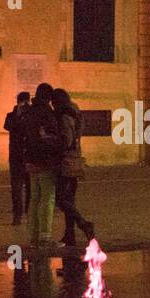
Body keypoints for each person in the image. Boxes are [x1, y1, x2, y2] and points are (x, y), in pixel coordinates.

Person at [52, 88, 96, 246]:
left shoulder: (64, 115)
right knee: (70, 198)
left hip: (66, 161)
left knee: (60, 198)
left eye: (53, 102)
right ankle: (69, 235)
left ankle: (83, 224)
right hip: (75, 158)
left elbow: (67, 140)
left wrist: (54, 143)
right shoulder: (75, 111)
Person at [21, 83, 62, 247]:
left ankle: (34, 237)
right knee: (48, 197)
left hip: (31, 160)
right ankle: (45, 236)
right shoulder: (47, 113)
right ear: (48, 98)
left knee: (34, 198)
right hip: (45, 160)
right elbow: (53, 135)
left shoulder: (29, 111)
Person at [3, 91, 31, 225]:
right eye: (23, 101)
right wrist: (18, 114)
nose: (25, 104)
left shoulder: (32, 115)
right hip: (16, 155)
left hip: (30, 155)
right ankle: (17, 211)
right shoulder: (11, 115)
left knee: (30, 185)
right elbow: (8, 126)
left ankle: (29, 209)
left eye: (27, 101)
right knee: (16, 185)